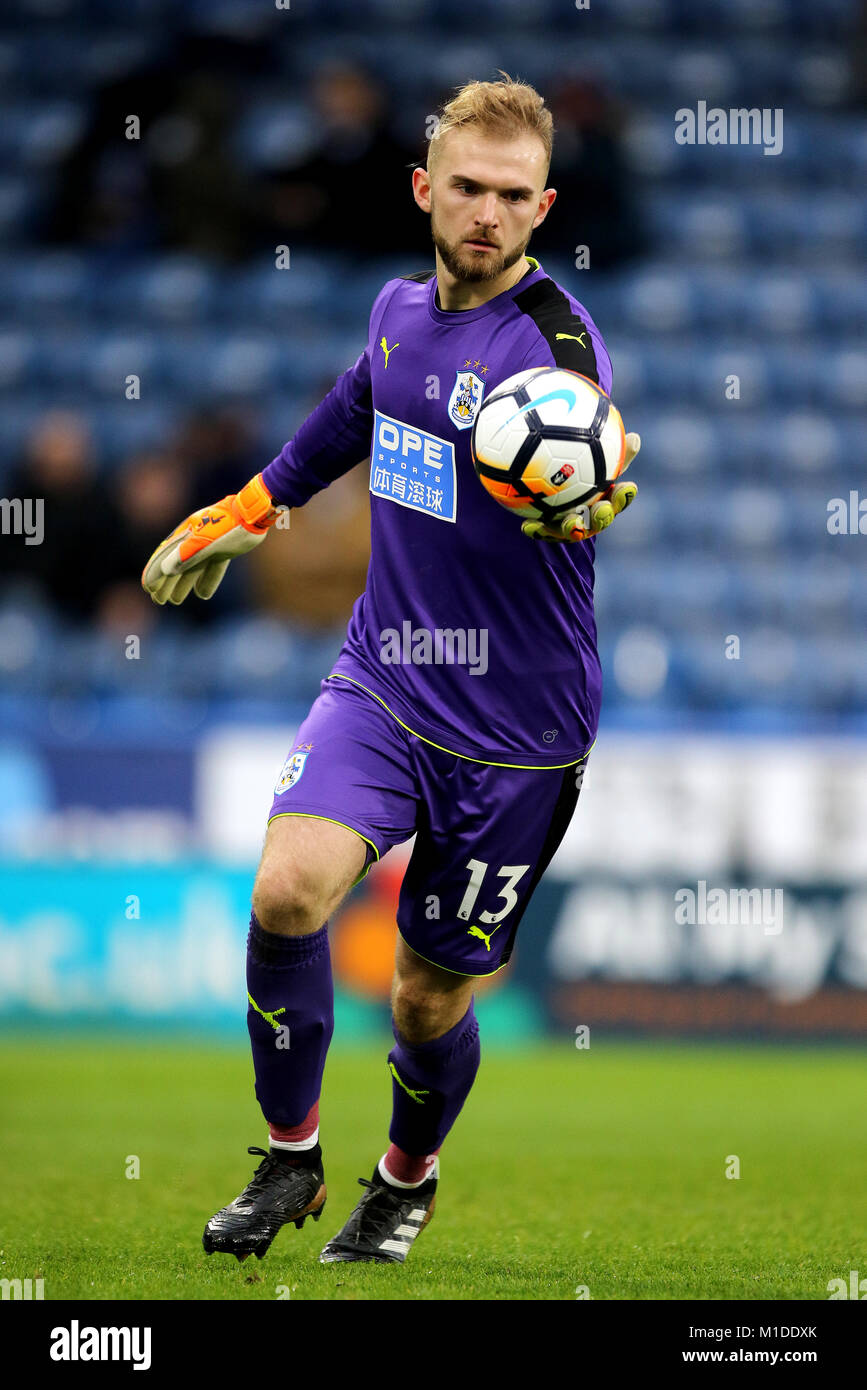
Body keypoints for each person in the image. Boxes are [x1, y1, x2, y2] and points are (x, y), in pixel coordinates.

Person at [142, 73, 639, 1266]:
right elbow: (356, 405)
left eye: (513, 196)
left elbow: (586, 439)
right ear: (426, 188)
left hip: (520, 727)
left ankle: (404, 1177)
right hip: (387, 677)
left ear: (543, 205)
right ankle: (290, 1157)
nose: (486, 211)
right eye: (466, 186)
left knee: (425, 997)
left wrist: (579, 506)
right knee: (285, 890)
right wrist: (256, 504)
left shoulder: (556, 350)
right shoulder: (394, 311)